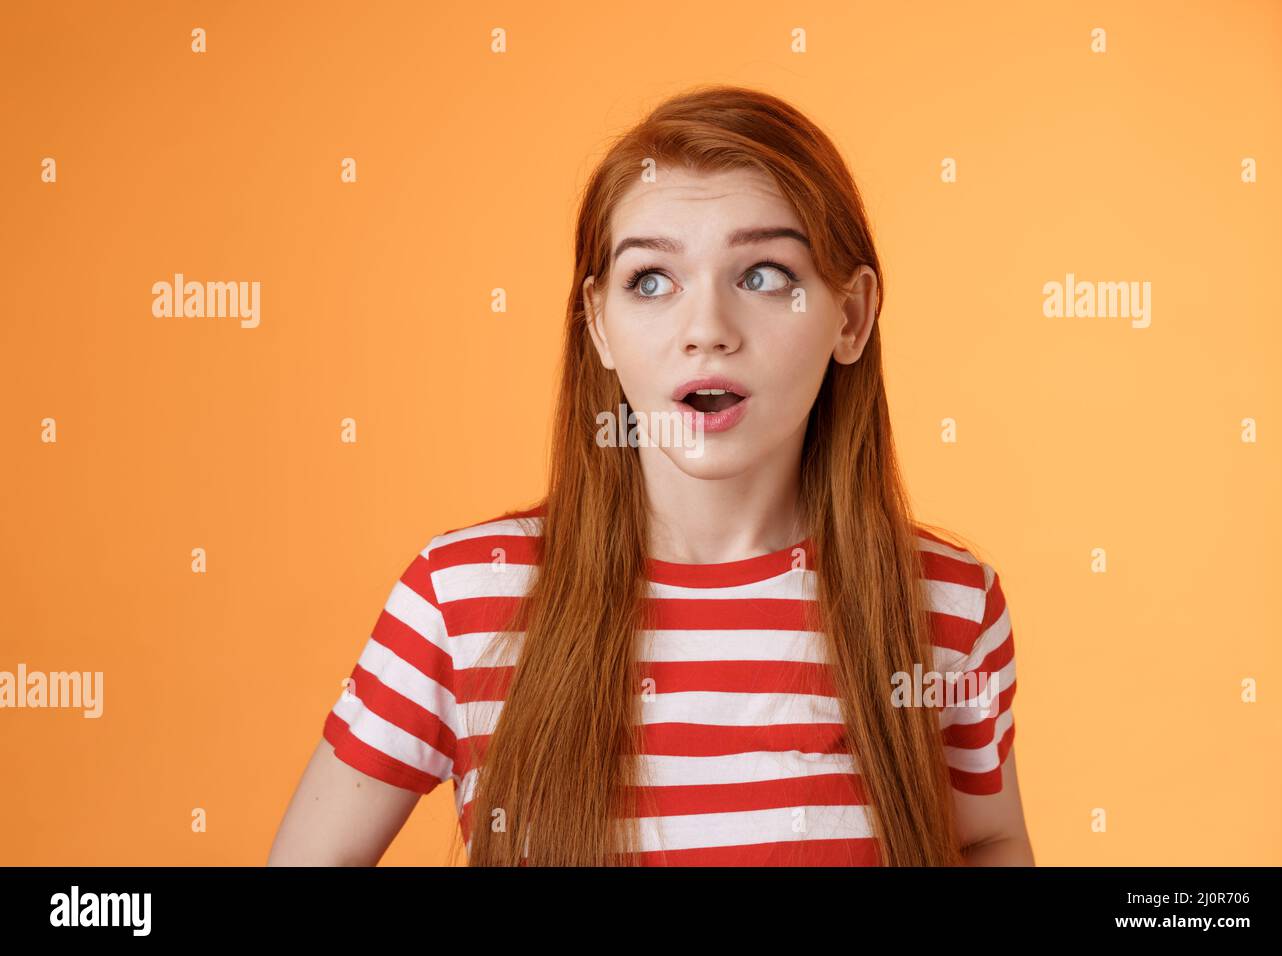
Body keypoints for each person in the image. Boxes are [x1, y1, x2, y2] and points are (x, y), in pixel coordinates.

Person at [269, 84, 1032, 867]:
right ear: (599, 324)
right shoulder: (460, 598)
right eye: (652, 281)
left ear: (851, 316)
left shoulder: (946, 604)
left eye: (763, 274)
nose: (706, 331)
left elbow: (989, 839)